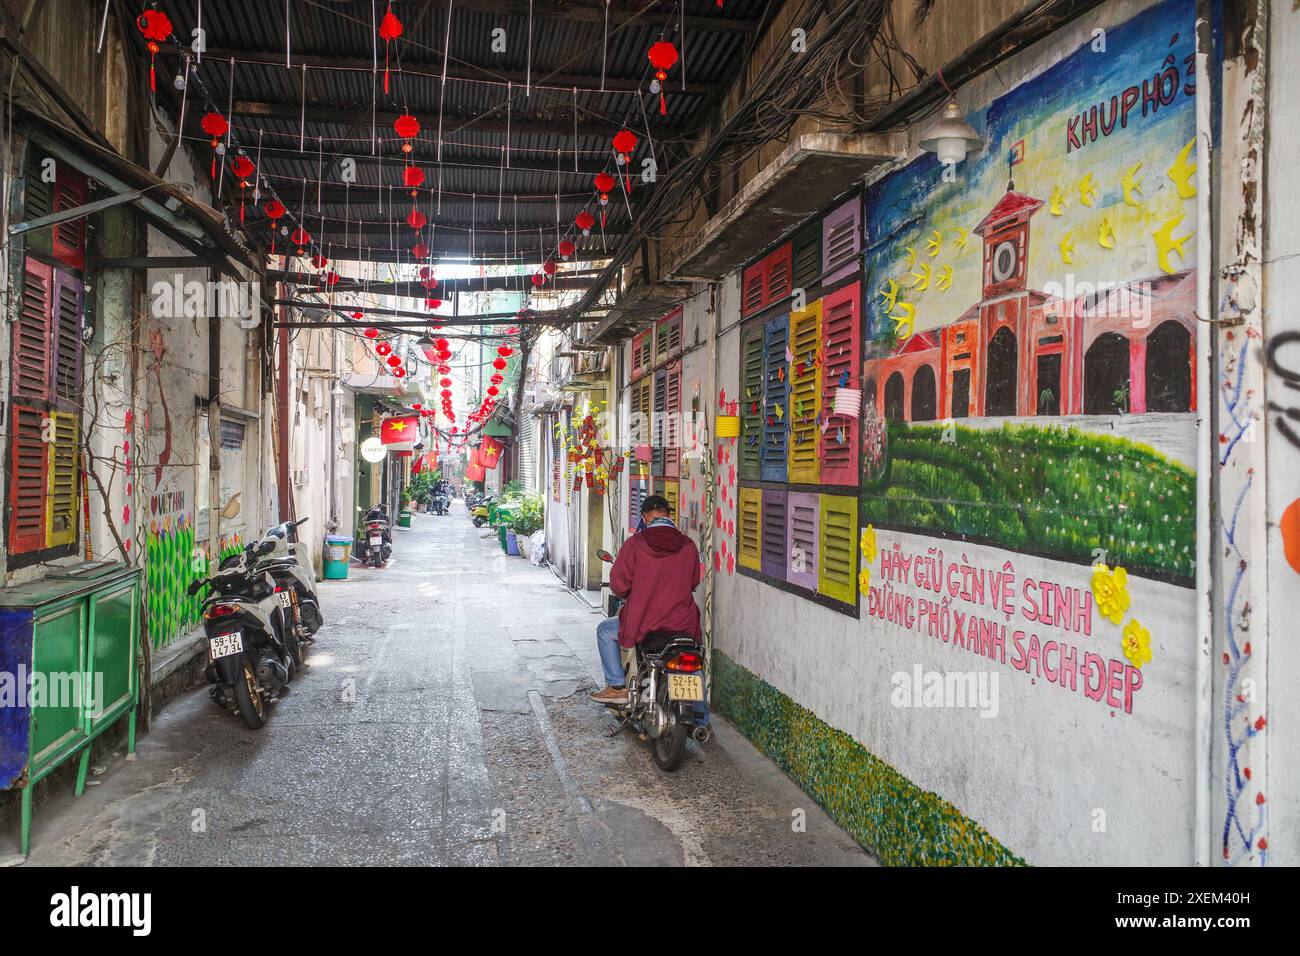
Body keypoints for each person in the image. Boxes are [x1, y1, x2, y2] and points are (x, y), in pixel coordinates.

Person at [590, 496, 707, 726]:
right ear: (668, 515)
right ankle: (701, 720)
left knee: (605, 631)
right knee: (693, 659)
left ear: (644, 518)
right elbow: (694, 581)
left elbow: (619, 586)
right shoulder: (688, 545)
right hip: (682, 623)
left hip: (644, 621)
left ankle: (616, 687)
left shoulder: (635, 544)